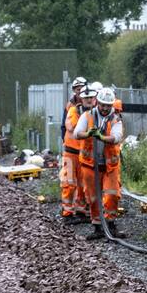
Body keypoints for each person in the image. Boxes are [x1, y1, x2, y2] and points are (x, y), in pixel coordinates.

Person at [73, 87, 126, 240]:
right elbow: (77, 133)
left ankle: (110, 224)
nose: (104, 108)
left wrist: (102, 137)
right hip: (90, 165)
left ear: (111, 105)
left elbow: (116, 137)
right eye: (102, 104)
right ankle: (97, 226)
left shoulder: (116, 119)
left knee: (112, 195)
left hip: (110, 165)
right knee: (93, 196)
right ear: (97, 102)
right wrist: (88, 134)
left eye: (107, 106)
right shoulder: (87, 116)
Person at [59, 76, 89, 223]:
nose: (79, 92)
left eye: (81, 89)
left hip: (83, 152)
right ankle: (67, 212)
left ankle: (81, 210)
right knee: (69, 182)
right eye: (77, 89)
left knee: (83, 184)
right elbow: (68, 126)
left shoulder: (91, 107)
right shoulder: (72, 108)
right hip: (71, 150)